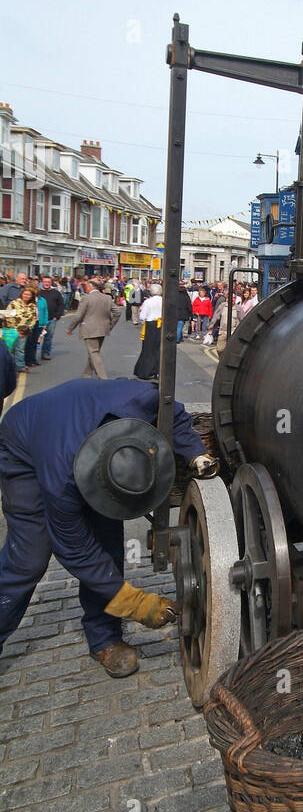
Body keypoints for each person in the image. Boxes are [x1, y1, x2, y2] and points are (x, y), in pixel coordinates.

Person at [0, 376, 218, 676]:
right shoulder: (60, 480)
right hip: (23, 444)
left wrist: (195, 453)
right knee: (29, 557)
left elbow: (175, 414)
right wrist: (135, 604)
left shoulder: (143, 399)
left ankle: (105, 638)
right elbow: (74, 548)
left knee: (107, 539)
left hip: (76, 421)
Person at [66, 280, 120, 380]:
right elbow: (118, 312)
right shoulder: (107, 297)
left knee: (94, 353)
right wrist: (110, 325)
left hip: (89, 329)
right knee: (94, 352)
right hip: (103, 329)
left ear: (91, 286)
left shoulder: (86, 298)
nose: (86, 288)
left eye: (87, 286)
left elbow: (78, 315)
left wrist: (70, 328)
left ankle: (103, 378)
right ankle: (86, 375)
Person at [6, 287, 39, 375]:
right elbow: (7, 315)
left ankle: (20, 366)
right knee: (10, 350)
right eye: (25, 294)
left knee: (20, 349)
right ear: (22, 294)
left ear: (31, 296)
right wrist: (13, 329)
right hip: (12, 330)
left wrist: (28, 328)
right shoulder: (14, 303)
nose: (26, 296)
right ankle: (10, 367)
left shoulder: (32, 306)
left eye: (28, 295)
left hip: (24, 332)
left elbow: (33, 318)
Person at [134, 283, 162, 381]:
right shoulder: (164, 301)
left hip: (150, 326)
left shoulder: (148, 302)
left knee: (148, 349)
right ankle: (159, 372)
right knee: (159, 349)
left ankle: (147, 371)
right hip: (161, 325)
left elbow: (142, 316)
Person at [38, 276, 64, 363]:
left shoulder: (56, 293)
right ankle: (30, 357)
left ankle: (45, 354)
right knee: (35, 338)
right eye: (45, 282)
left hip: (51, 319)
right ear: (42, 282)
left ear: (51, 283)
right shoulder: (38, 292)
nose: (46, 283)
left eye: (48, 282)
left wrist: (57, 316)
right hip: (39, 319)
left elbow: (61, 304)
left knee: (48, 337)